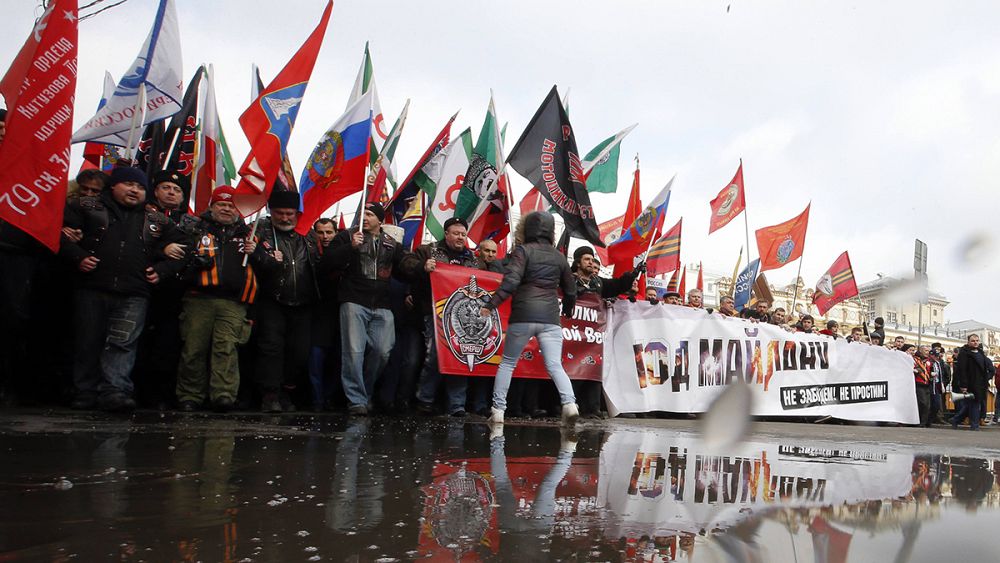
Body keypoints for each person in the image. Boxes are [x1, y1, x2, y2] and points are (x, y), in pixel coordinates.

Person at [59, 166, 180, 411]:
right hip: (92, 286)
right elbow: (58, 234)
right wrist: (78, 256)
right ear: (113, 186)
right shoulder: (86, 207)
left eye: (140, 187)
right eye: (129, 185)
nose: (134, 190)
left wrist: (163, 268)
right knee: (88, 340)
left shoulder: (156, 219)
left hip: (134, 292)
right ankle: (85, 391)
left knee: (122, 343)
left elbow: (185, 247)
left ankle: (115, 390)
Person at [479, 211, 579, 427]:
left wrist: (491, 304)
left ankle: (497, 411)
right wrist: (569, 309)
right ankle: (570, 405)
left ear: (527, 229)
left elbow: (511, 281)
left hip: (523, 314)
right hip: (550, 318)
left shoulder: (523, 251)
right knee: (554, 365)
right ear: (551, 232)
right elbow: (571, 290)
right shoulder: (559, 256)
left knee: (507, 363)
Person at [173, 186, 256, 412]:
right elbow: (178, 263)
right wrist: (193, 262)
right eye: (222, 204)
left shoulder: (249, 234)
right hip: (198, 299)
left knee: (226, 349)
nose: (227, 209)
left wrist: (257, 252)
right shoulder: (195, 230)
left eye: (231, 205)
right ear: (212, 206)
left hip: (233, 303)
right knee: (193, 349)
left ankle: (224, 395)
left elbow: (268, 266)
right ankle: (190, 395)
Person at [323, 202, 406, 416]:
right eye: (362, 214)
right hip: (353, 300)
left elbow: (403, 269)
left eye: (369, 214)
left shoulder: (391, 243)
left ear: (380, 220)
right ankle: (356, 400)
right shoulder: (346, 236)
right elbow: (327, 262)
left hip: (382, 304)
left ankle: (365, 391)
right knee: (353, 352)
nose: (365, 217)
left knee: (382, 351)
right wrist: (349, 247)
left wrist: (422, 267)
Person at [403, 217, 481, 417]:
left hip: (463, 318)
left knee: (460, 356)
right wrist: (423, 266)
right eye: (456, 233)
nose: (460, 238)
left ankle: (457, 405)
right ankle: (425, 399)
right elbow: (406, 264)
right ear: (446, 234)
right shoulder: (427, 251)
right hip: (433, 312)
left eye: (463, 234)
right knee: (435, 356)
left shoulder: (473, 259)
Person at [252, 191, 320, 412]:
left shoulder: (308, 234)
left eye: (289, 213)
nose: (284, 218)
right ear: (271, 212)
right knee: (271, 349)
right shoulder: (259, 231)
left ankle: (287, 391)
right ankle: (270, 395)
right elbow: (251, 259)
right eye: (279, 213)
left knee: (299, 352)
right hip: (272, 300)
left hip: (303, 302)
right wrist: (265, 257)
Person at [571, 245, 639, 418]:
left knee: (593, 369)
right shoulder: (569, 279)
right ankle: (569, 405)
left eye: (593, 260)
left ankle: (592, 408)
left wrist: (633, 274)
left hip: (593, 335)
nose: (591, 262)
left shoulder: (598, 282)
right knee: (572, 369)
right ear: (578, 262)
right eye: (587, 259)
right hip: (572, 332)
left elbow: (617, 285)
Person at [307, 218, 342, 411]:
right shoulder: (310, 253)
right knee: (316, 358)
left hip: (339, 312)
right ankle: (317, 399)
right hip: (318, 313)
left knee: (338, 358)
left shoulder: (344, 254)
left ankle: (330, 397)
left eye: (329, 232)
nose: (325, 237)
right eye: (320, 232)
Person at [950, 334, 991, 431]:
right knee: (975, 404)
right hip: (970, 383)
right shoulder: (964, 353)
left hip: (981, 383)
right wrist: (964, 385)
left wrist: (986, 380)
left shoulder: (980, 352)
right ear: (968, 342)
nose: (975, 342)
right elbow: (962, 370)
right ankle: (974, 425)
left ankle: (955, 419)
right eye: (973, 341)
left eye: (977, 340)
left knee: (970, 404)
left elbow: (985, 368)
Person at [904, 344, 931, 427]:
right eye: (926, 351)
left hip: (926, 384)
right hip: (918, 383)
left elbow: (928, 371)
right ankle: (920, 422)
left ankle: (924, 422)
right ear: (920, 351)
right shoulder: (915, 359)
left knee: (928, 404)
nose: (928, 352)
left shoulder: (928, 361)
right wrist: (917, 370)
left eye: (928, 351)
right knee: (923, 403)